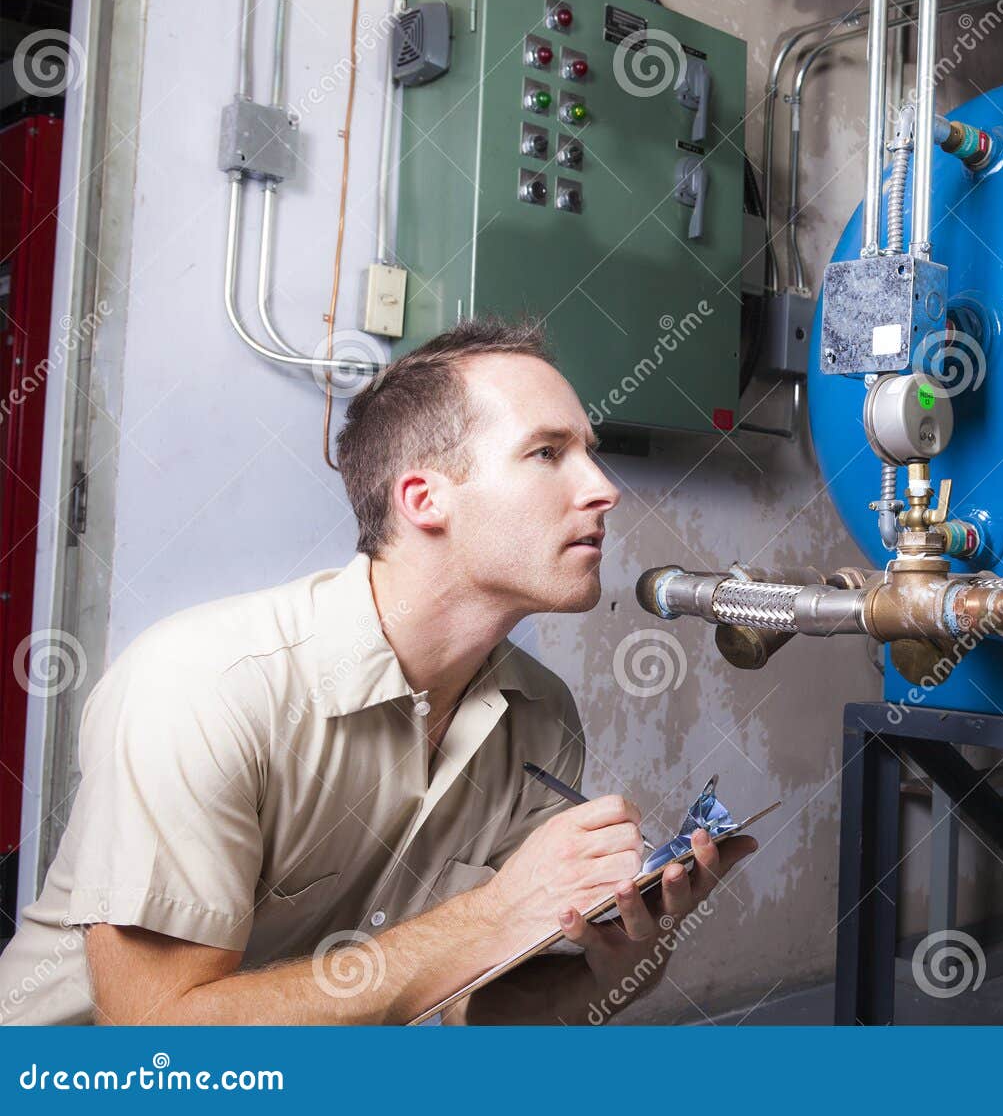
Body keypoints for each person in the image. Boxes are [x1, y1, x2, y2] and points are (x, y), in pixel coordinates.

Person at [0, 318, 754, 1024]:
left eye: (589, 451)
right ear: (424, 499)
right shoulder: (203, 687)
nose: (603, 489)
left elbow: (467, 1008)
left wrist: (616, 965)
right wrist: (494, 914)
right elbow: (156, 1038)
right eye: (548, 453)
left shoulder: (541, 716)